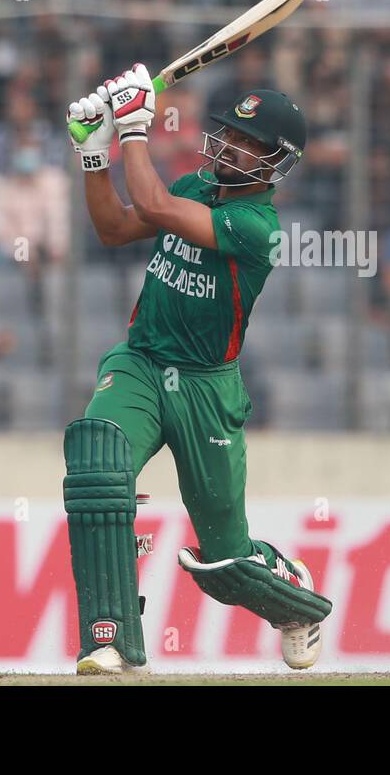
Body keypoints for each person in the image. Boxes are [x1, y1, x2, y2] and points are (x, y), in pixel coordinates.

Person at [61, 63, 332, 674]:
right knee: (97, 468)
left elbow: (150, 201)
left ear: (276, 161)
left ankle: (295, 599)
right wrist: (94, 153)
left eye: (248, 144)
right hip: (141, 362)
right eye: (230, 135)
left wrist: (133, 125)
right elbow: (112, 228)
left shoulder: (258, 228)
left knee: (225, 564)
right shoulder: (193, 187)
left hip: (207, 389)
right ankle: (111, 638)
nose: (231, 147)